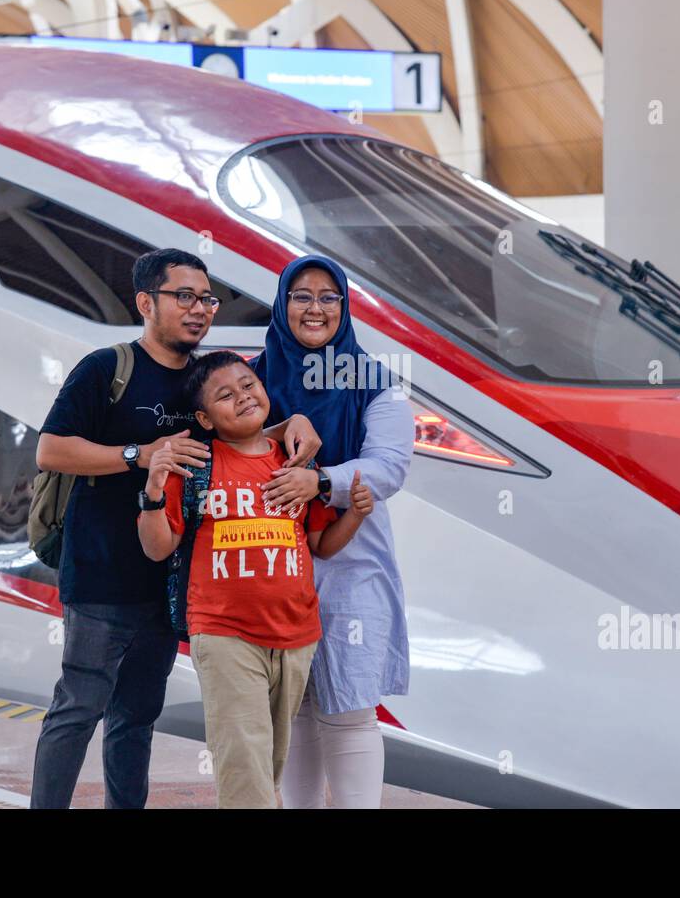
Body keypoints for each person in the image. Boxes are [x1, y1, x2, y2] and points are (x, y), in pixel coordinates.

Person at [30, 249, 319, 809]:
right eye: (182, 296)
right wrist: (142, 453)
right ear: (146, 302)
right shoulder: (107, 368)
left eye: (206, 298)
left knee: (136, 717)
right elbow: (51, 450)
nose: (199, 309)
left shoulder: (207, 381)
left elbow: (242, 435)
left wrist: (296, 422)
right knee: (79, 706)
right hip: (100, 571)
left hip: (170, 578)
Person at [137, 350, 374, 808]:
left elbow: (321, 545)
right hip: (225, 633)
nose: (243, 397)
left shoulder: (295, 463)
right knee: (243, 765)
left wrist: (358, 515)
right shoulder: (196, 466)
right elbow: (157, 547)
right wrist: (151, 492)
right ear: (205, 417)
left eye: (249, 385)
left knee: (268, 765)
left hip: (296, 635)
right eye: (225, 396)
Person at [253, 255, 415, 809]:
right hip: (269, 559)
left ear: (344, 308)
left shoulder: (377, 384)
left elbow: (388, 467)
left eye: (329, 297)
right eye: (301, 296)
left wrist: (316, 481)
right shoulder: (251, 379)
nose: (315, 308)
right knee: (294, 706)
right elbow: (223, 445)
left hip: (352, 565)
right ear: (282, 304)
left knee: (349, 706)